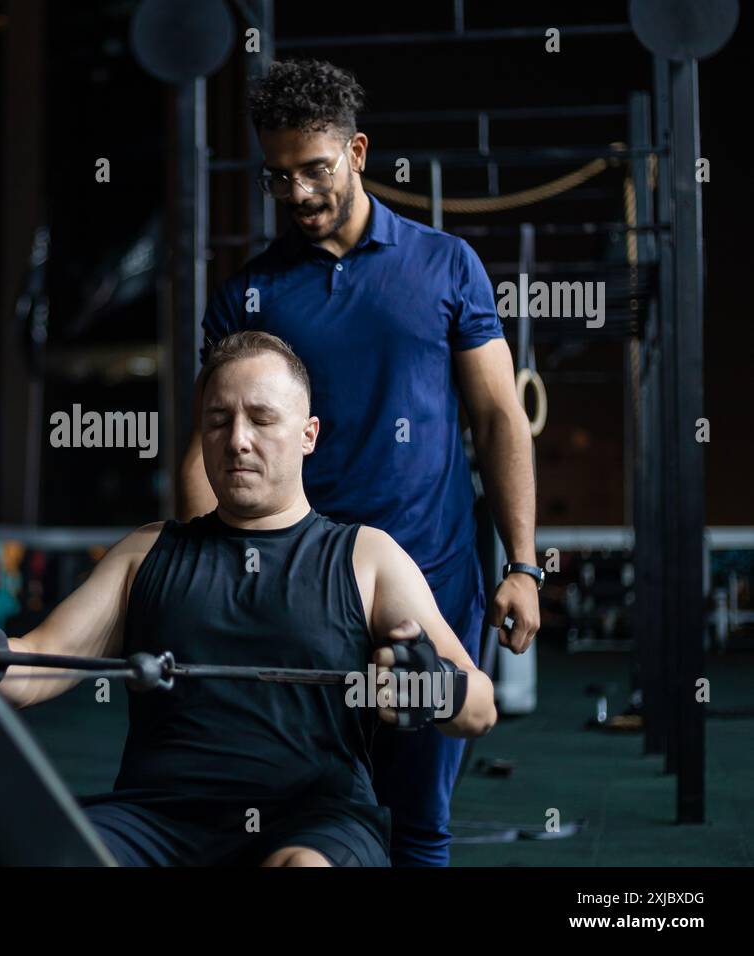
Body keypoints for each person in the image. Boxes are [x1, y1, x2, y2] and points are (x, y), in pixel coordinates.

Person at [0, 332, 495, 867]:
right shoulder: (146, 552)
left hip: (314, 820)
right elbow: (34, 666)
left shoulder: (366, 557)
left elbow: (480, 707)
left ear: (309, 434)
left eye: (261, 418)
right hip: (157, 820)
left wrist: (436, 689)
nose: (237, 440)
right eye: (218, 420)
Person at [178, 59, 539, 866]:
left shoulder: (446, 266)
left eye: (317, 169)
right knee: (300, 818)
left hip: (435, 589)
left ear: (359, 151)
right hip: (301, 598)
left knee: (418, 825)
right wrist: (202, 573)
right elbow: (206, 443)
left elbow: (498, 416)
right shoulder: (248, 298)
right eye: (279, 177)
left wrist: (523, 564)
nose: (300, 193)